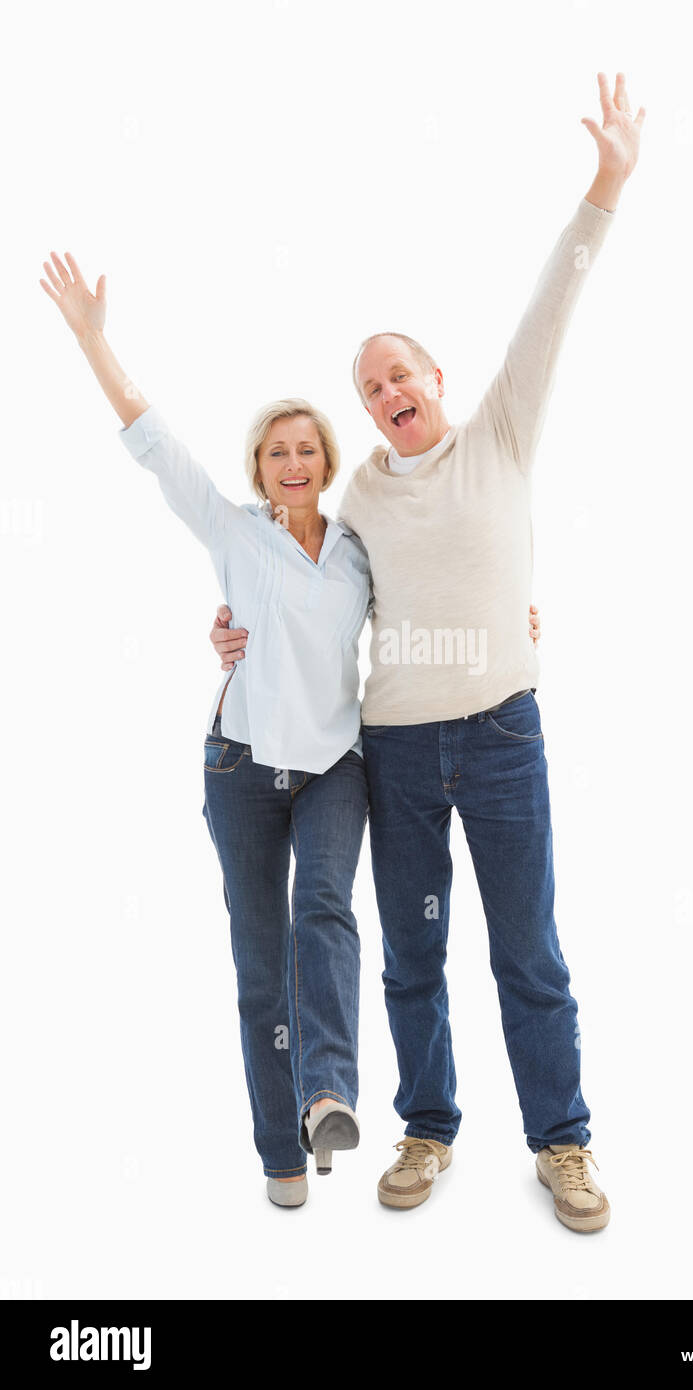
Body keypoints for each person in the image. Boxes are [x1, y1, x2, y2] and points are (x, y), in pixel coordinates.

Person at [211, 71, 645, 1231]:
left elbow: (553, 304)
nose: (387, 392)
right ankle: (427, 1125)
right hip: (395, 748)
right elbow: (296, 570)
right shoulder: (354, 496)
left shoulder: (500, 428)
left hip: (503, 733)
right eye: (370, 388)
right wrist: (231, 630)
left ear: (437, 381)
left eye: (400, 374)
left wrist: (603, 185)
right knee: (410, 954)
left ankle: (561, 1141)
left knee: (528, 952)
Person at [38, 254, 372, 1208]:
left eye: (307, 449)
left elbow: (436, 584)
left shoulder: (357, 548)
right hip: (243, 765)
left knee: (327, 914)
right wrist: (93, 338)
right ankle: (280, 1150)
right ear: (259, 469)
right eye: (277, 452)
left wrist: (511, 620)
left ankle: (327, 1095)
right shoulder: (233, 532)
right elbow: (153, 439)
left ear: (327, 461)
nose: (295, 463)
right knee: (261, 961)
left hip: (336, 767)